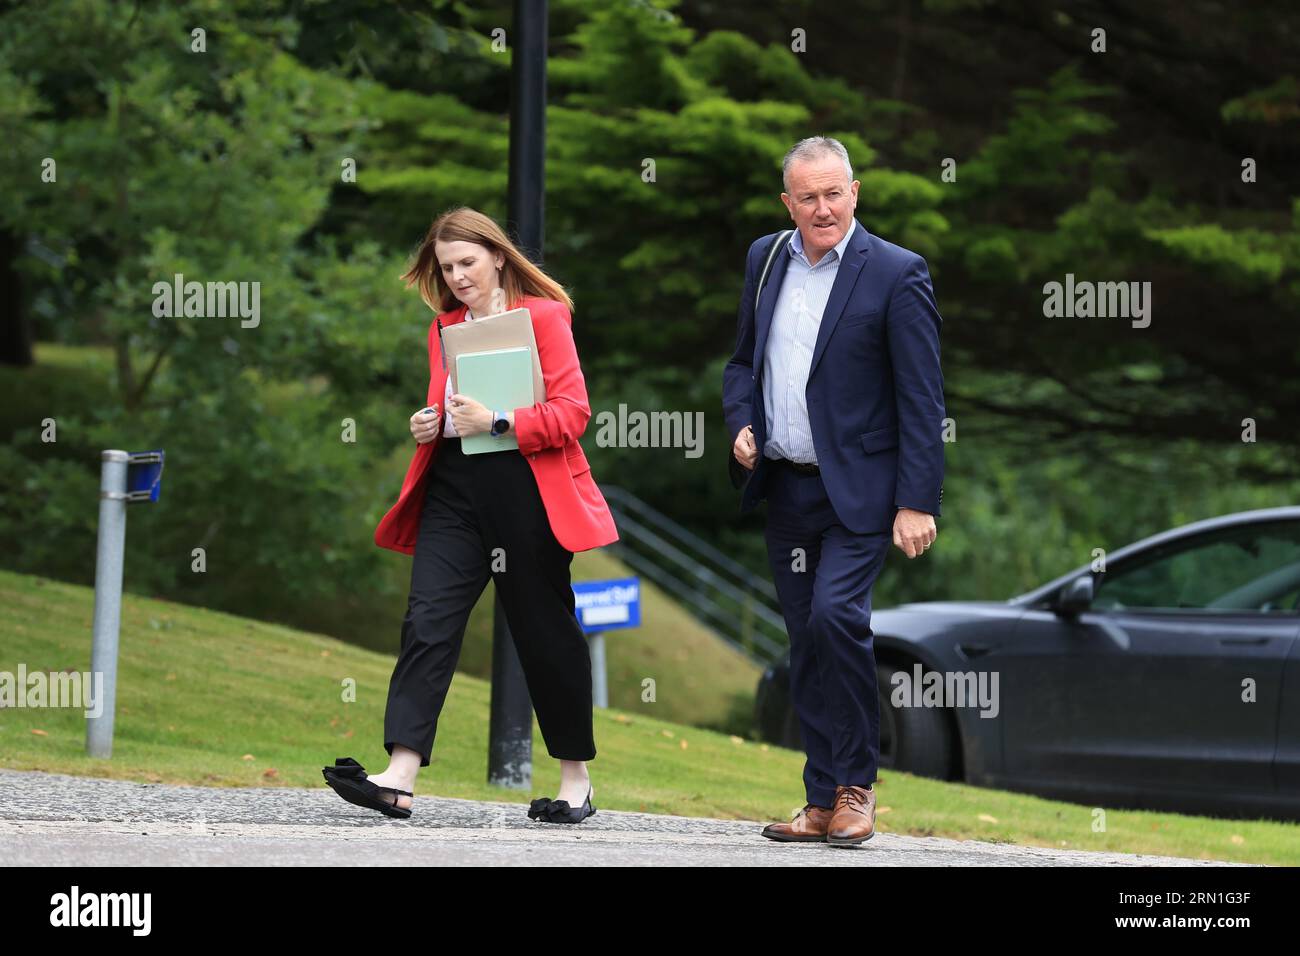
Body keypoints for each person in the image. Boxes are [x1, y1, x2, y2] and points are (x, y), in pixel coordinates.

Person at [323, 206, 618, 824]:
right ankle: (399, 776)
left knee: (544, 633)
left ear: (498, 257)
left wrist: (501, 421)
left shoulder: (543, 316)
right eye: (446, 267)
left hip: (528, 493)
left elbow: (574, 413)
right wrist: (427, 423)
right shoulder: (444, 327)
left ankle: (575, 782)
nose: (457, 276)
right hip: (455, 491)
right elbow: (449, 405)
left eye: (467, 263)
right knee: (427, 619)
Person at [722, 136, 946, 846]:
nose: (822, 208)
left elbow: (921, 397)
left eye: (833, 193)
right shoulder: (765, 259)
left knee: (835, 619)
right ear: (787, 202)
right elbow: (740, 364)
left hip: (862, 494)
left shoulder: (897, 273)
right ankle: (820, 799)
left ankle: (858, 787)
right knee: (804, 644)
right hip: (786, 489)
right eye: (807, 197)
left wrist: (918, 502)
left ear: (856, 193)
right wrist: (741, 424)